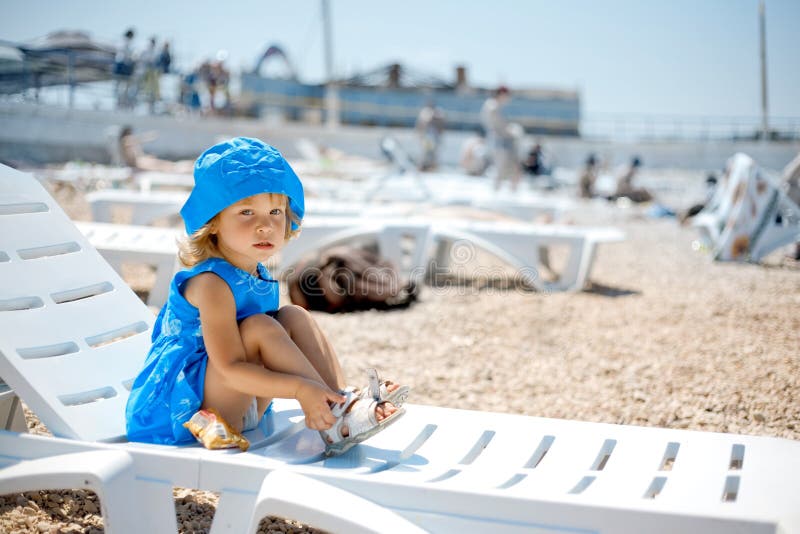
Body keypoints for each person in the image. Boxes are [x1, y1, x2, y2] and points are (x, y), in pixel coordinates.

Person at [125, 137, 407, 455]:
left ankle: (340, 401)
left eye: (275, 211)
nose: (265, 226)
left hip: (243, 399)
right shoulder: (211, 283)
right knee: (259, 326)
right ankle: (335, 411)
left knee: (293, 315)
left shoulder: (256, 273)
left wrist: (309, 388)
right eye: (247, 212)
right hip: (189, 412)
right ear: (213, 222)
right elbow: (230, 367)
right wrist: (299, 389)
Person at [481, 86, 521, 191]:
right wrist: (511, 130)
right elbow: (498, 126)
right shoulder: (492, 105)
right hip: (499, 141)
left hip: (500, 141)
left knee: (509, 169)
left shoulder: (494, 105)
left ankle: (505, 191)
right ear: (502, 94)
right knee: (502, 168)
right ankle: (498, 192)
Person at [116, 126, 194, 173]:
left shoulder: (129, 144)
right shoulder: (125, 141)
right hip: (139, 163)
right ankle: (189, 167)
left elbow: (136, 154)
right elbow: (133, 141)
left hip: (141, 161)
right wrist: (149, 136)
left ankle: (188, 166)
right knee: (168, 167)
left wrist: (147, 156)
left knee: (168, 166)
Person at [415, 101, 445, 171]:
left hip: (434, 137)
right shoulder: (425, 112)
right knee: (425, 153)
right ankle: (422, 167)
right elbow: (422, 123)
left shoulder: (438, 112)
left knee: (433, 153)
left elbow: (441, 124)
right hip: (427, 137)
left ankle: (432, 167)